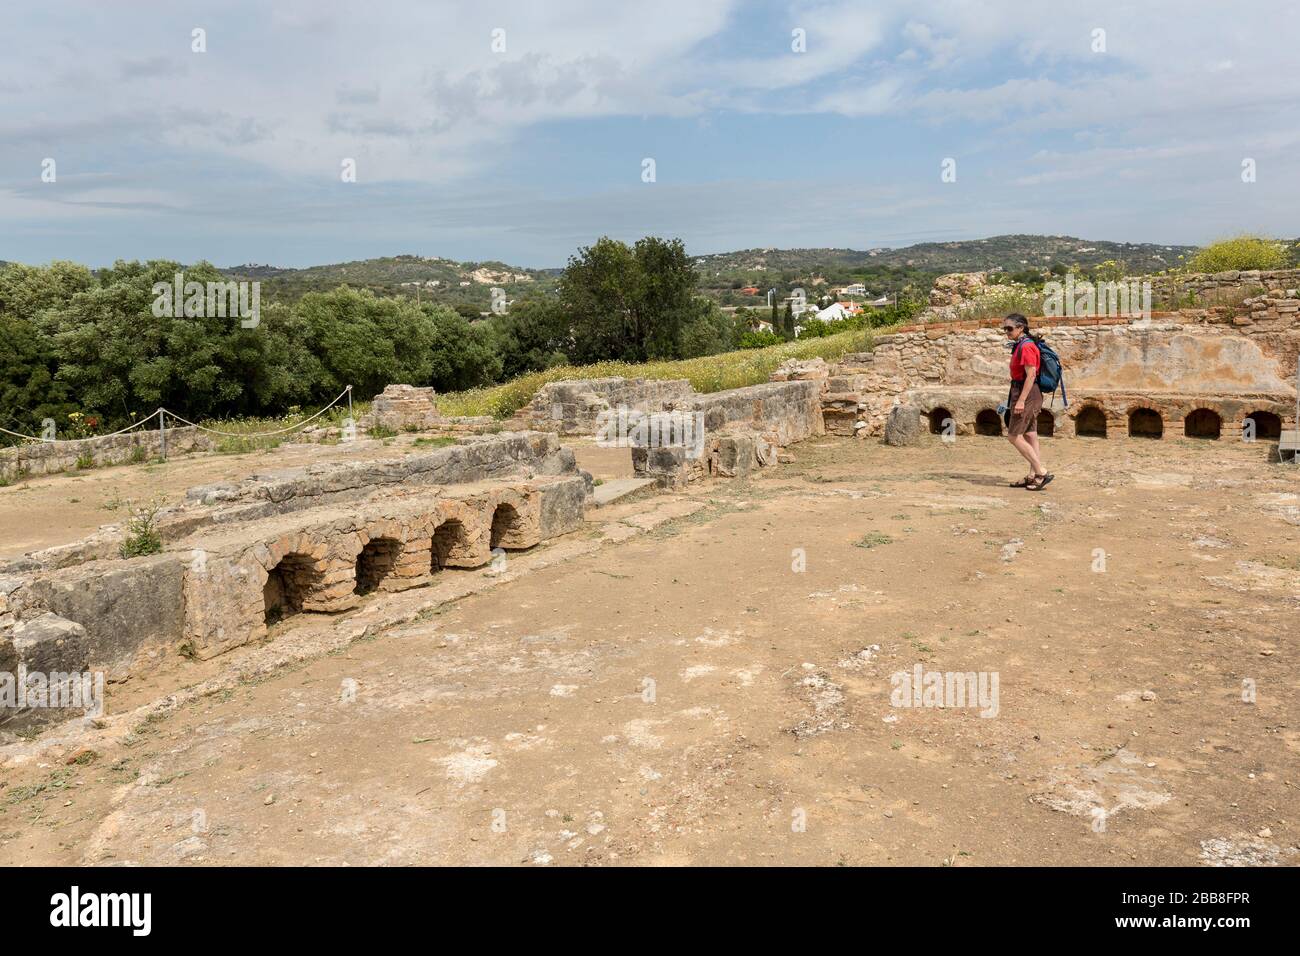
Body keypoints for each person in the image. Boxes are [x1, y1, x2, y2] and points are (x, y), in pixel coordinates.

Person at [1002, 313, 1052, 491]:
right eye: (1005, 328)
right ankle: (1033, 476)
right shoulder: (1020, 345)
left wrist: (1021, 400)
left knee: (1014, 436)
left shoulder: (1027, 347)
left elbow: (1031, 375)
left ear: (1021, 327)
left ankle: (1041, 472)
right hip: (1023, 391)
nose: (1007, 332)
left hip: (1027, 393)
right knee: (1030, 434)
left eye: (1010, 328)